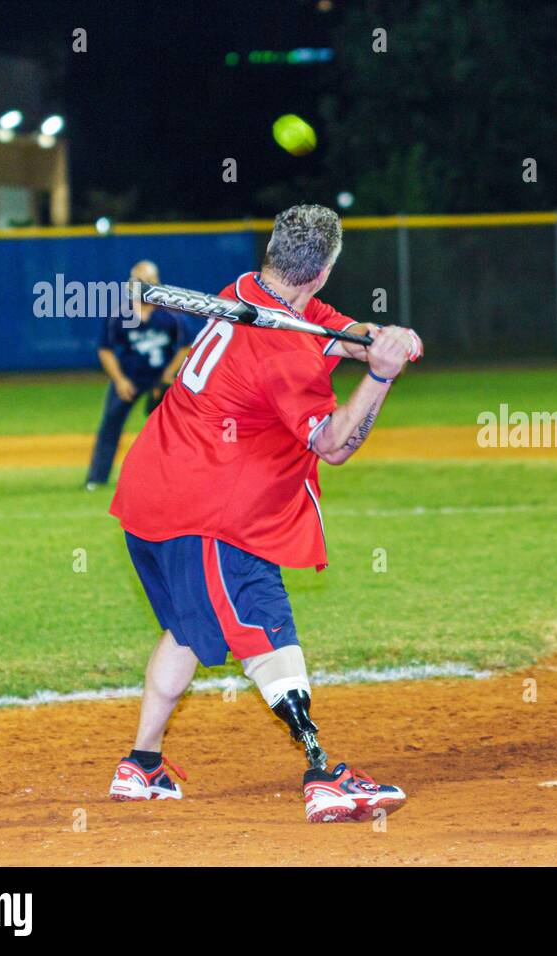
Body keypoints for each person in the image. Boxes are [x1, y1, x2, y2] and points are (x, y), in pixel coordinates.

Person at [106, 204, 423, 823]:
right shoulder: (285, 354)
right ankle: (323, 774)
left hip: (152, 494)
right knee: (263, 624)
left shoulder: (249, 293)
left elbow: (331, 329)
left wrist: (382, 339)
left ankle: (140, 765)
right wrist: (380, 377)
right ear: (323, 270)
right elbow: (331, 445)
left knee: (190, 631)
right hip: (211, 513)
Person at [85, 260, 190, 490]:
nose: (140, 286)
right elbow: (105, 350)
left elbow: (185, 346)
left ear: (157, 283)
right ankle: (96, 478)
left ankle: (177, 476)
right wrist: (120, 380)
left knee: (175, 429)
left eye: (146, 281)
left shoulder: (171, 313)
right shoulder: (119, 314)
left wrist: (168, 377)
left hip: (162, 379)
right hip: (130, 376)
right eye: (136, 281)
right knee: (110, 425)